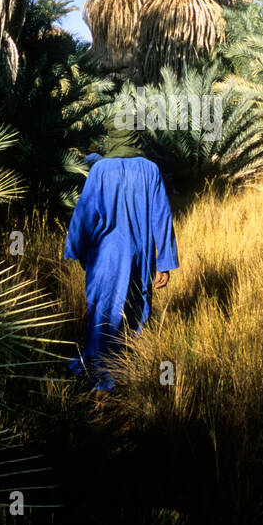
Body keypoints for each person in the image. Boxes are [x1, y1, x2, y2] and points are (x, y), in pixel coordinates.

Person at [64, 127, 177, 399]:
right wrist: (164, 262)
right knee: (135, 308)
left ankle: (104, 380)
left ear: (112, 139)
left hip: (105, 256)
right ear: (137, 138)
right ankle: (126, 368)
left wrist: (75, 250)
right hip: (139, 255)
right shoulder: (150, 170)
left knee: (103, 312)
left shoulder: (100, 170)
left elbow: (85, 214)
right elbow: (162, 218)